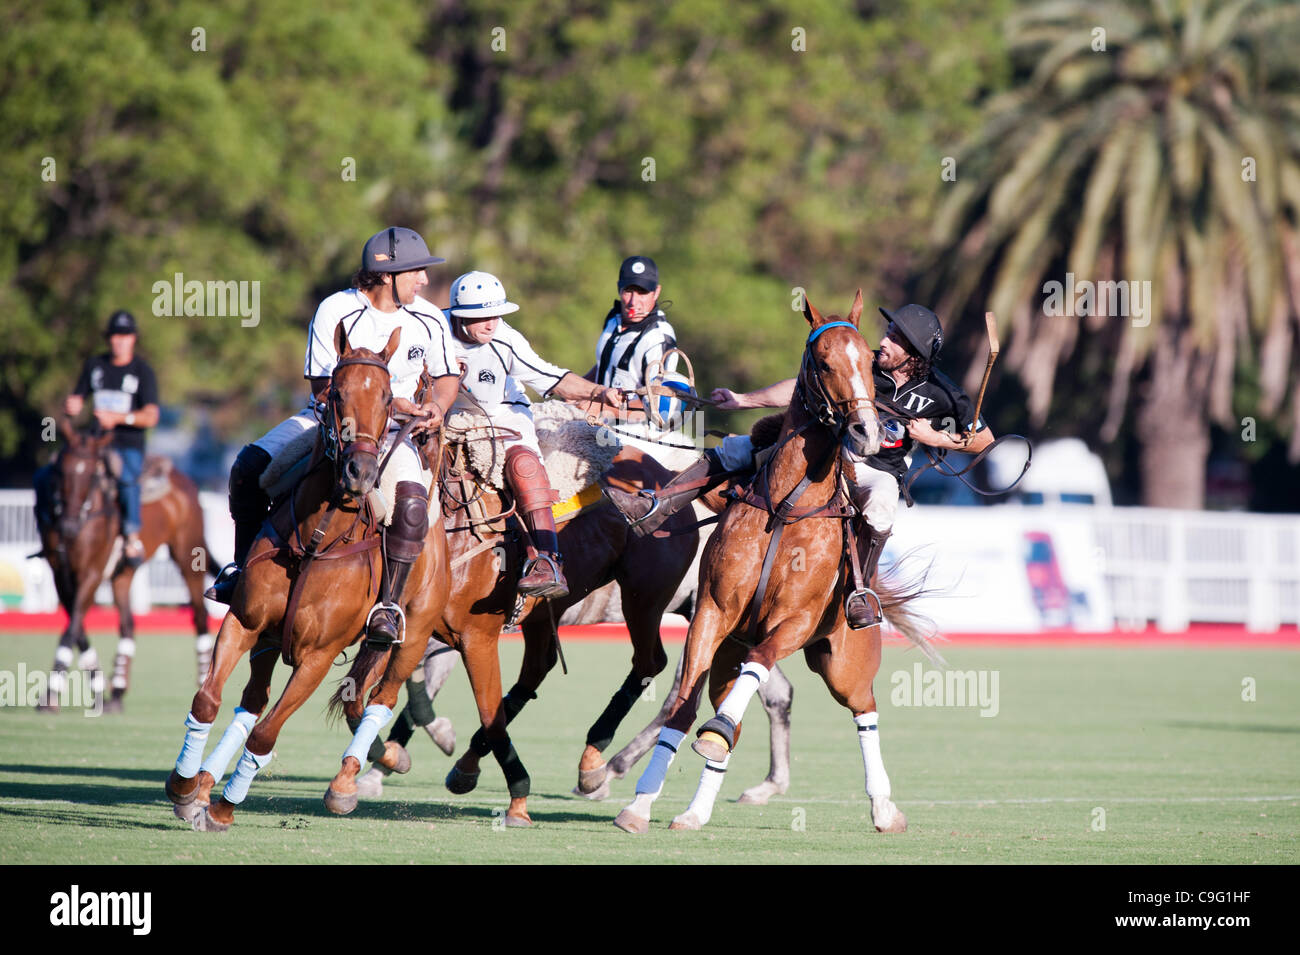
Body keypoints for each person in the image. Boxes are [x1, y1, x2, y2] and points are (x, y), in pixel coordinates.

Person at [604, 303, 995, 629]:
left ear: (916, 352)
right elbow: (799, 386)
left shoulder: (943, 394)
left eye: (895, 337)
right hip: (828, 450)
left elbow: (984, 440)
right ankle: (659, 504)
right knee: (737, 449)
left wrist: (936, 438)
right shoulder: (863, 362)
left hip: (876, 469)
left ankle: (861, 589)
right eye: (888, 331)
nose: (884, 341)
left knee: (882, 503)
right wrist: (743, 400)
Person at [206, 227, 460, 647]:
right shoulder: (336, 310)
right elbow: (322, 387)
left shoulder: (429, 318)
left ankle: (388, 606)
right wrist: (390, 403)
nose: (425, 280)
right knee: (248, 468)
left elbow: (447, 378)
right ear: (386, 275)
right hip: (332, 424)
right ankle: (239, 574)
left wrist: (437, 407)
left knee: (413, 505)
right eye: (416, 271)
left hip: (395, 435)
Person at [444, 270, 620, 599]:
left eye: (496, 314)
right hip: (443, 413)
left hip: (502, 413)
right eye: (481, 316)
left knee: (523, 461)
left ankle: (545, 559)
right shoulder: (430, 331)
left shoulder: (506, 338)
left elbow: (550, 377)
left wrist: (599, 392)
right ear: (459, 315)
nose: (490, 323)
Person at [58, 310, 161, 566]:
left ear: (133, 339)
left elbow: (151, 417)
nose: (119, 341)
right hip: (94, 442)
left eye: (124, 336)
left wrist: (118, 418)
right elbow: (78, 397)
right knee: (60, 470)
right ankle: (57, 528)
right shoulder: (95, 366)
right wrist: (72, 405)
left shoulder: (142, 371)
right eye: (115, 335)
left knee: (126, 479)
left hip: (127, 445)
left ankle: (131, 537)